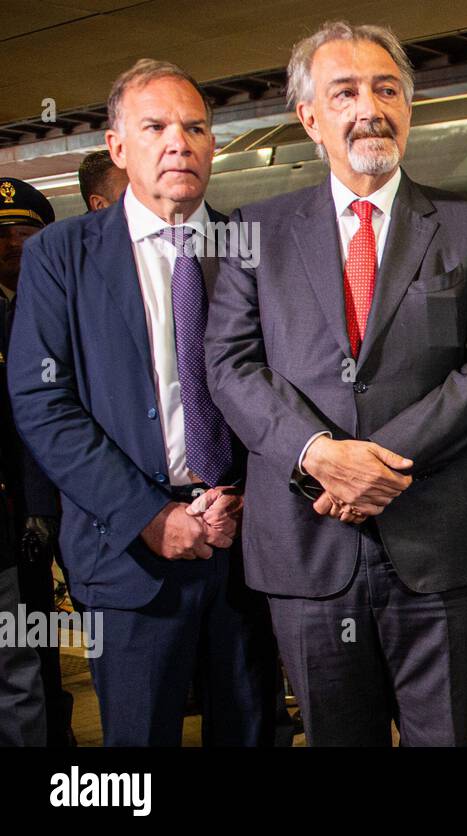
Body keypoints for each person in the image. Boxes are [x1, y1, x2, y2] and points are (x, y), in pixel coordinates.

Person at [206, 20, 467, 747]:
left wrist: (372, 463)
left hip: (445, 545)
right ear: (309, 116)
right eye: (344, 91)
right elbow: (229, 365)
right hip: (307, 543)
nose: (369, 107)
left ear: (410, 108)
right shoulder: (254, 231)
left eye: (387, 89)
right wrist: (320, 454)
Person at [7, 60, 279, 746]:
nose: (178, 143)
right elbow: (43, 400)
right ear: (118, 147)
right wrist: (149, 515)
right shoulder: (61, 255)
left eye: (194, 127)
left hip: (247, 548)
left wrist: (255, 491)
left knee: (254, 732)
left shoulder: (254, 248)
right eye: (154, 127)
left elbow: (286, 388)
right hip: (127, 557)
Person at [0, 177, 56, 746]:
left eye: (24, 231)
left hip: (67, 504)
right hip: (13, 509)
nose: (13, 243)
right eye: (2, 235)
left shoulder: (59, 298)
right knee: (19, 649)